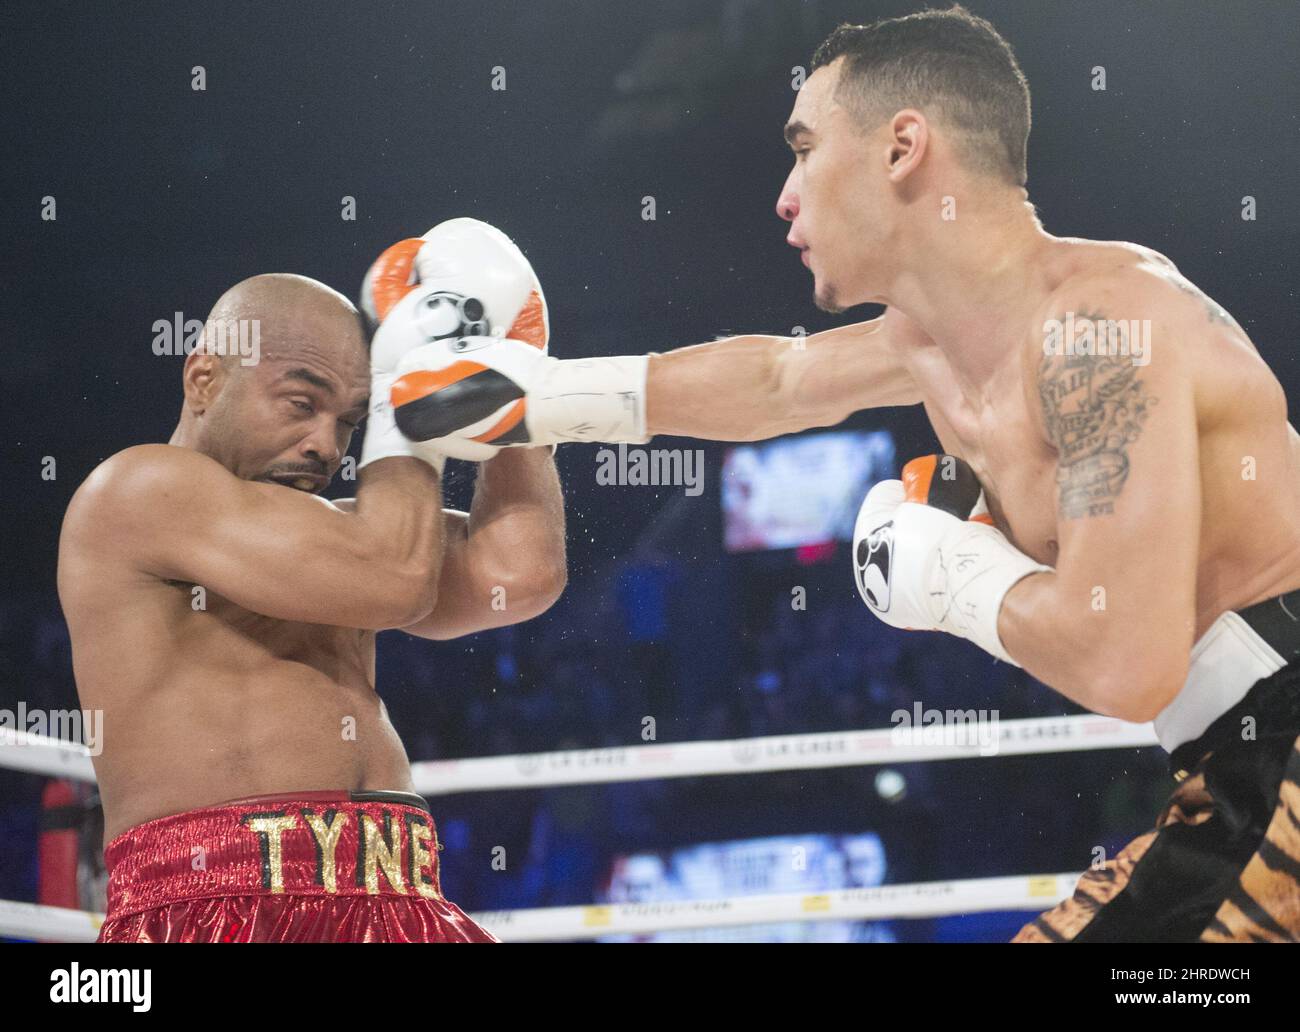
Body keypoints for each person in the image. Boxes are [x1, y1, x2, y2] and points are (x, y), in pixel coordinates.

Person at [388, 6, 1300, 941]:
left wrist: (951, 575)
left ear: (904, 148)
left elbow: (1127, 661)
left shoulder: (1098, 334)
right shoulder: (938, 342)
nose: (784, 196)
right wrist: (536, 399)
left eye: (805, 149)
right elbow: (778, 381)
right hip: (1234, 766)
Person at [58, 218, 566, 942]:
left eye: (353, 421)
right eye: (301, 404)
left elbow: (520, 576)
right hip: (219, 905)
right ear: (204, 377)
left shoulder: (351, 535)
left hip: (404, 897)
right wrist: (404, 393)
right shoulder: (139, 489)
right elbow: (393, 578)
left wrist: (509, 376)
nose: (325, 445)